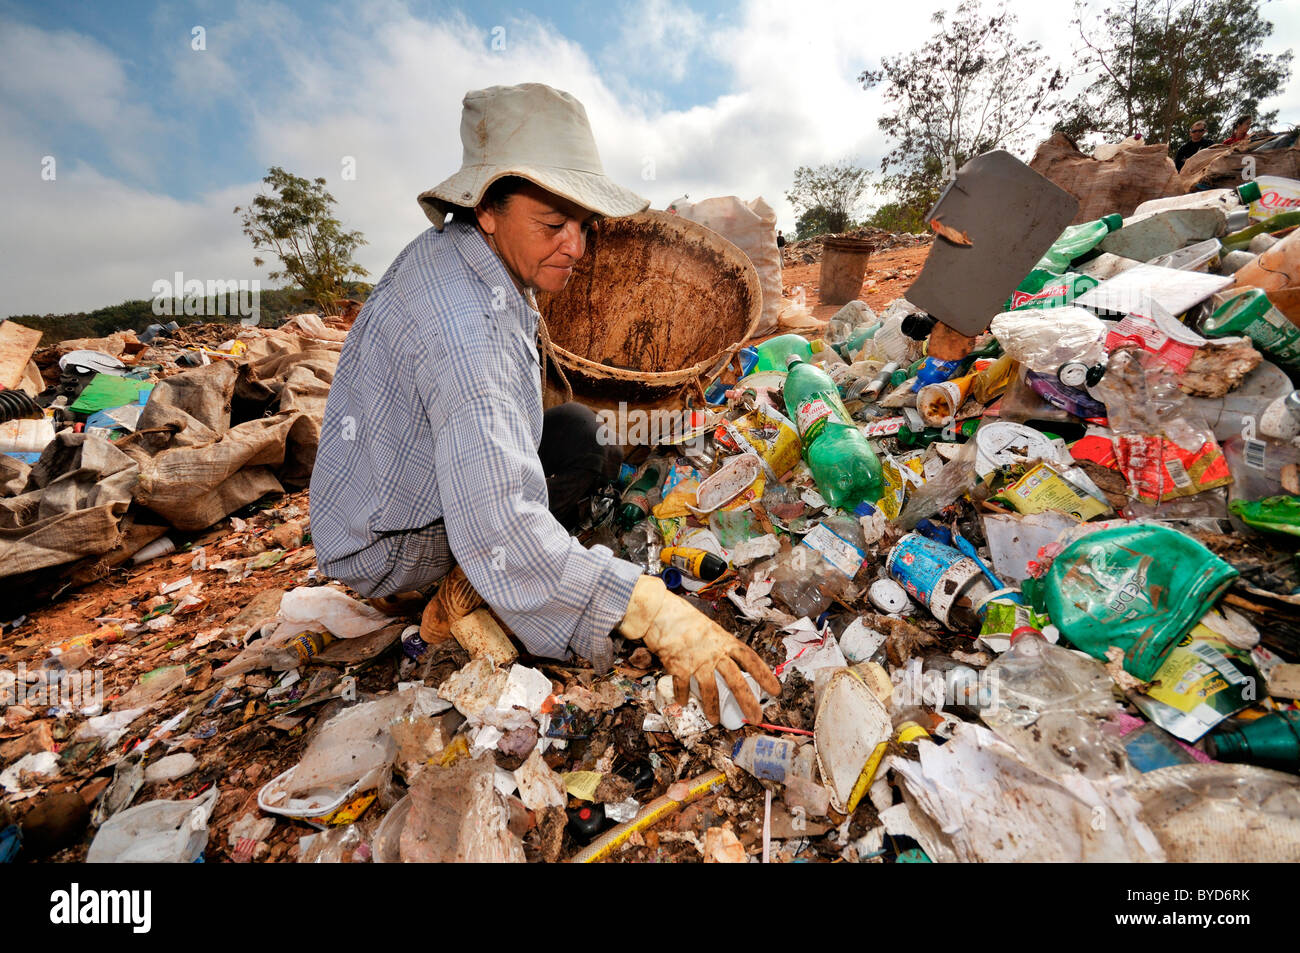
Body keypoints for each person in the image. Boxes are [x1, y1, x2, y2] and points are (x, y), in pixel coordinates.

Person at [310, 83, 779, 723]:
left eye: (583, 226)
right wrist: (648, 609)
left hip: (407, 487)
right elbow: (500, 521)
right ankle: (453, 590)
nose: (577, 248)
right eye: (553, 226)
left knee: (576, 430)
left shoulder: (464, 257)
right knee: (532, 522)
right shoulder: (465, 330)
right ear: (487, 211)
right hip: (390, 543)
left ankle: (505, 574)